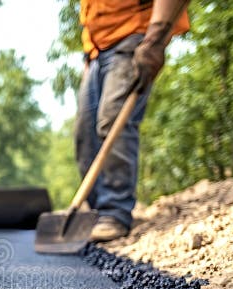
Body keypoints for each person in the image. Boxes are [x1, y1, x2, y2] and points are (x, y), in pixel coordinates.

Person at [75, 0, 189, 241]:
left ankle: (115, 212)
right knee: (85, 134)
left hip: (134, 35)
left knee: (113, 119)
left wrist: (155, 39)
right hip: (96, 50)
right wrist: (89, 56)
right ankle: (96, 213)